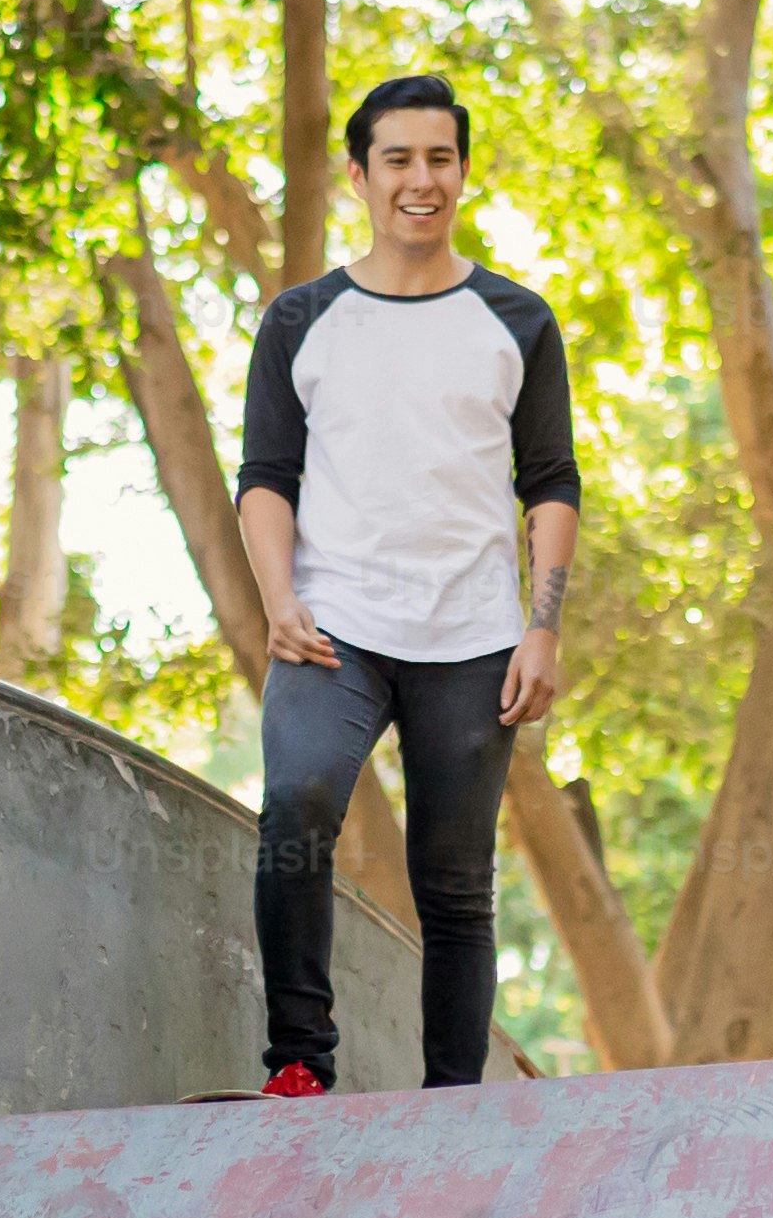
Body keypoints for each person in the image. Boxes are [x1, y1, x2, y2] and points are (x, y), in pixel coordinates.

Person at [235, 73, 583, 1092]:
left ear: (462, 173)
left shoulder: (517, 320)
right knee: (297, 803)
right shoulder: (302, 319)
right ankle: (299, 1061)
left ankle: (452, 1106)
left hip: (473, 642)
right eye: (398, 159)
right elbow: (265, 478)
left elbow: (551, 485)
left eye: (440, 158)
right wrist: (278, 597)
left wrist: (543, 629)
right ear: (359, 174)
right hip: (330, 628)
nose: (420, 180)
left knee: (456, 889)